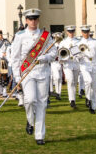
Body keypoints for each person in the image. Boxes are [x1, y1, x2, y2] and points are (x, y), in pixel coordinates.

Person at [9, 8, 57, 145]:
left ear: (38, 20)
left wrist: (45, 57)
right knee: (30, 100)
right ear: (26, 20)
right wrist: (17, 77)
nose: (33, 21)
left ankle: (39, 135)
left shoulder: (46, 36)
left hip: (43, 72)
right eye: (30, 19)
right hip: (27, 72)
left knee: (42, 104)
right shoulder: (20, 36)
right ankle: (30, 121)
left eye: (35, 19)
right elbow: (15, 58)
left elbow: (54, 52)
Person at [76, 25, 96, 114]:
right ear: (81, 32)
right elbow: (76, 57)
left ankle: (93, 107)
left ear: (89, 32)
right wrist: (79, 55)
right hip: (84, 65)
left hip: (94, 65)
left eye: (87, 32)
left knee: (93, 89)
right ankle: (87, 98)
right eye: (84, 32)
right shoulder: (78, 43)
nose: (86, 34)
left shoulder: (95, 42)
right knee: (88, 81)